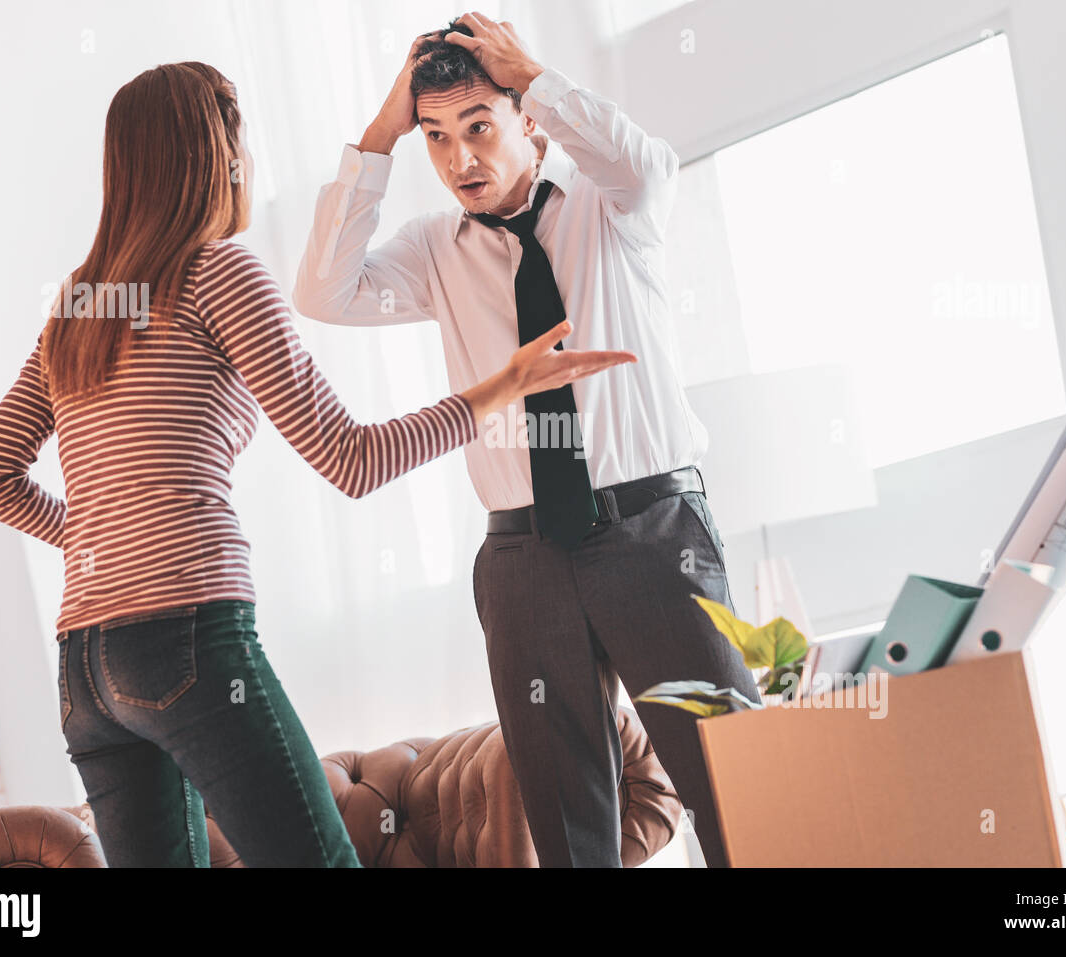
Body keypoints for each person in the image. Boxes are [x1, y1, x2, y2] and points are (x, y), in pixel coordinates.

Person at [0, 60, 633, 868]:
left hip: (87, 670)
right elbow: (352, 458)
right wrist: (503, 387)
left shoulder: (79, 303)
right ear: (220, 153)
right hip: (186, 637)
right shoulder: (219, 271)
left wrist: (95, 539)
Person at [293, 14, 760, 867]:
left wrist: (533, 72)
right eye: (436, 137)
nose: (458, 159)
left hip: (651, 537)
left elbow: (647, 162)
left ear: (530, 124)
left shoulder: (614, 211)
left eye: (478, 127)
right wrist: (379, 137)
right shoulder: (434, 250)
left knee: (741, 789)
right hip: (521, 563)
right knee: (566, 824)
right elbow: (324, 289)